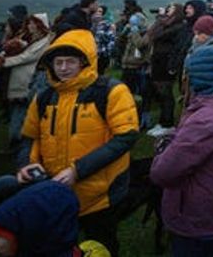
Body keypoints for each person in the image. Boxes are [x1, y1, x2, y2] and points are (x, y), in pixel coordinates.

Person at [17, 29, 139, 255]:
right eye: (58, 62)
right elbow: (29, 137)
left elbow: (126, 137)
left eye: (70, 62)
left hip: (100, 194)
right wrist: (26, 163)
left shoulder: (111, 91)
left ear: (86, 62)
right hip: (54, 189)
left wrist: (78, 171)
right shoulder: (44, 97)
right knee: (57, 245)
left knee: (102, 245)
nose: (63, 68)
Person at [150, 45, 213, 256]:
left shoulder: (206, 120)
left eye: (189, 73)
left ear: (201, 76)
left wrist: (163, 148)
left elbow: (162, 172)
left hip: (200, 219)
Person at [0, 15, 51, 163]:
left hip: (27, 81)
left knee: (22, 115)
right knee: (19, 114)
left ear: (40, 25)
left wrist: (3, 61)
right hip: (20, 80)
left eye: (33, 24)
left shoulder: (44, 41)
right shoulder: (29, 39)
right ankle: (20, 145)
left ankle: (21, 147)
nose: (30, 26)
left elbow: (26, 57)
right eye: (29, 23)